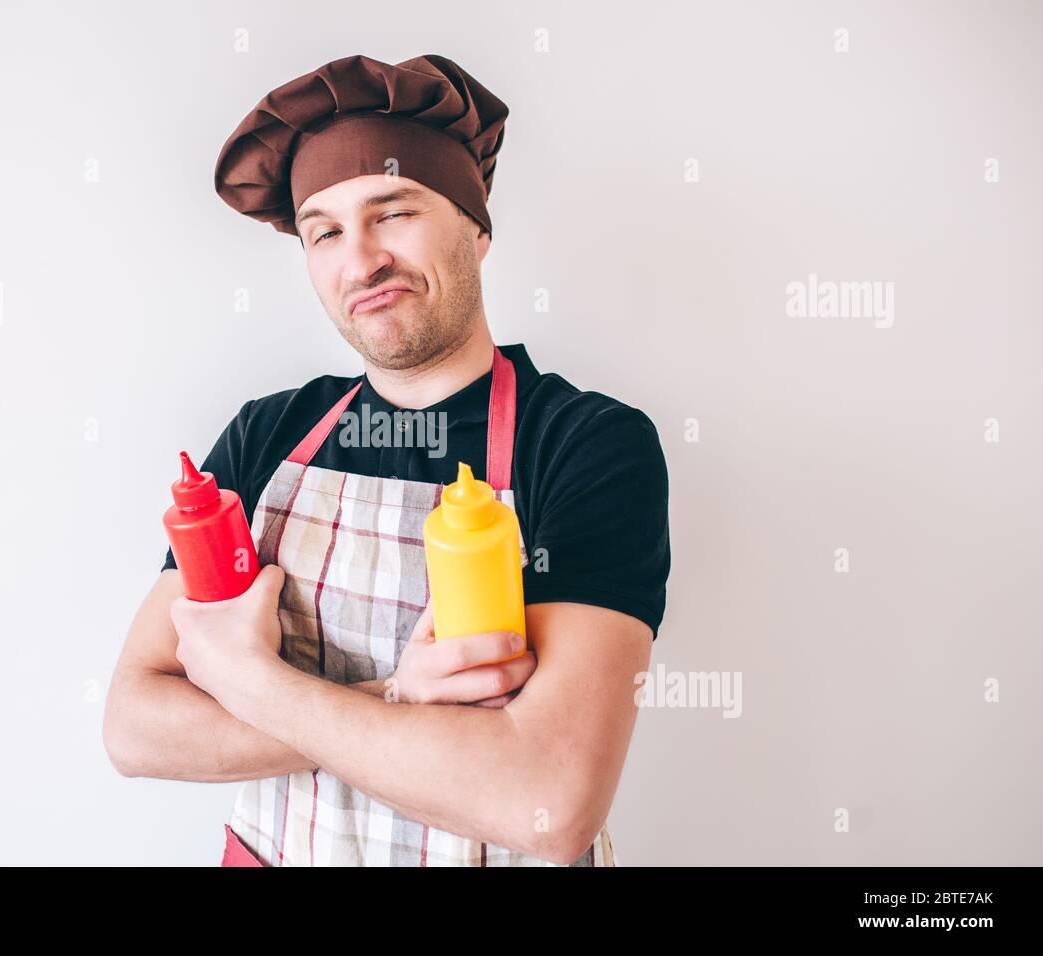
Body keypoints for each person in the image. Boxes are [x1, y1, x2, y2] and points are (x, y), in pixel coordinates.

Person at [103, 53, 670, 867]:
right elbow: (134, 726)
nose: (360, 260)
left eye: (393, 211)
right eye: (324, 231)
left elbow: (546, 803)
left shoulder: (587, 445)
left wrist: (253, 685)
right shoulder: (265, 435)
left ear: (476, 231)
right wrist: (394, 700)